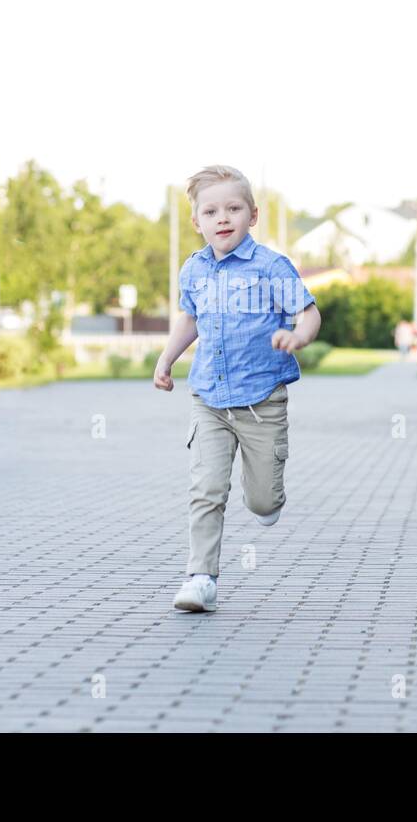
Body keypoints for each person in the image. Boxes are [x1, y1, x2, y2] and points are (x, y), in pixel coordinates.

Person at [154, 165, 321, 613]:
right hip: (208, 397)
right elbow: (189, 320)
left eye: (233, 208)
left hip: (261, 400)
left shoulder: (270, 266)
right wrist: (167, 359)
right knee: (206, 489)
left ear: (252, 214)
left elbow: (308, 311)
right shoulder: (194, 270)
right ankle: (200, 578)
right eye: (211, 211)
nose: (222, 218)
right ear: (197, 222)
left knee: (262, 500)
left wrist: (299, 337)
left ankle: (267, 501)